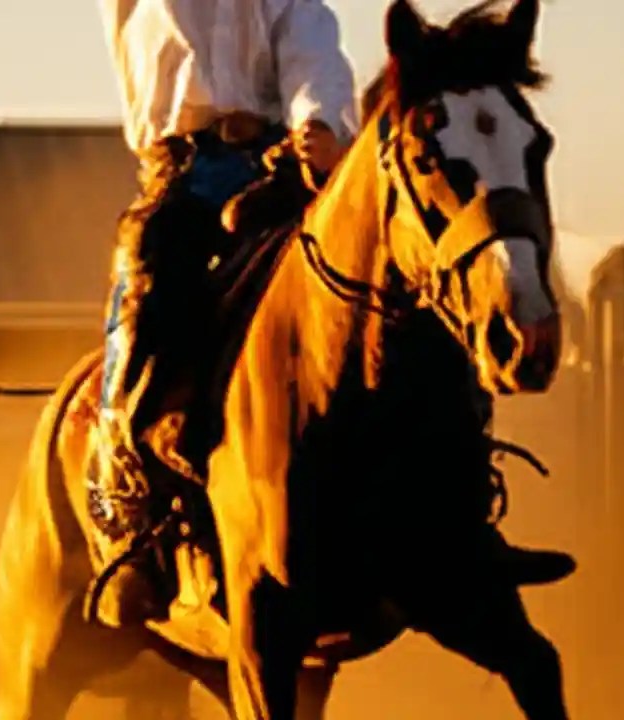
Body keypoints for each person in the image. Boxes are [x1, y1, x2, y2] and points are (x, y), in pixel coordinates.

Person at [88, 0, 575, 629]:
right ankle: (128, 495)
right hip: (183, 168)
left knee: (400, 279)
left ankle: (461, 506)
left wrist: (317, 120)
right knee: (145, 281)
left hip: (279, 157)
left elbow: (311, 44)